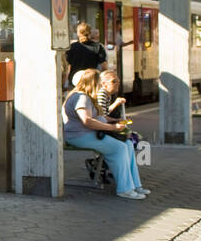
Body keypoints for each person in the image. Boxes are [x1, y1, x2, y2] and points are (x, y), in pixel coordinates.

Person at [64, 69, 149, 200]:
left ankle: (135, 185)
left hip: (85, 134)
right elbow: (87, 121)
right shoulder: (81, 97)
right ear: (92, 82)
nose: (100, 85)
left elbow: (98, 116)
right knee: (119, 148)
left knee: (127, 144)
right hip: (79, 136)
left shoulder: (84, 96)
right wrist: (112, 127)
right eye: (98, 82)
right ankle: (125, 189)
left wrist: (115, 121)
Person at [64, 22, 108, 87]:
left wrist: (64, 83)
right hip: (92, 80)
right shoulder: (98, 47)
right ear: (89, 32)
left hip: (75, 81)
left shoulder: (72, 47)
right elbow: (104, 67)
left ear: (78, 33)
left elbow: (68, 68)